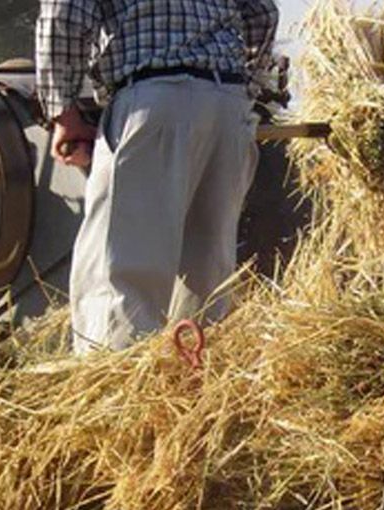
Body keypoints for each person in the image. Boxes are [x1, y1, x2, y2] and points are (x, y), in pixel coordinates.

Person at [35, 0, 278, 353]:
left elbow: (65, 14)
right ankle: (196, 379)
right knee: (205, 267)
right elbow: (263, 13)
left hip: (153, 100)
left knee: (119, 265)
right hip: (228, 104)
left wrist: (63, 112)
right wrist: (248, 87)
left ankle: (116, 384)